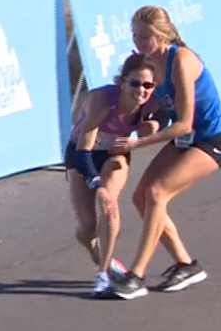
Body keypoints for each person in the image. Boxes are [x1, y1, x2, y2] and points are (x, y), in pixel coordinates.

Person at [106, 5, 221, 299]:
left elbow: (185, 121)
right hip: (186, 140)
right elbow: (165, 109)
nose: (138, 42)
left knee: (157, 193)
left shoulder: (181, 60)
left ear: (161, 33)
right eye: (134, 36)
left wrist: (138, 144)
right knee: (141, 196)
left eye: (144, 36)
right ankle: (186, 264)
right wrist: (153, 121)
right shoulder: (150, 64)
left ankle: (136, 274)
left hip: (211, 140)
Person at [66, 52, 161, 297]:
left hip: (114, 154)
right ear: (122, 82)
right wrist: (94, 181)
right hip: (82, 154)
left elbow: (164, 115)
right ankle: (104, 260)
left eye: (148, 85)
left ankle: (103, 274)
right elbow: (83, 152)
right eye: (135, 84)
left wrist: (151, 126)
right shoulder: (101, 101)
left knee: (108, 201)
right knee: (87, 227)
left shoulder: (151, 100)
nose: (141, 90)